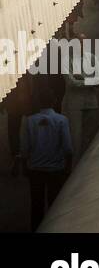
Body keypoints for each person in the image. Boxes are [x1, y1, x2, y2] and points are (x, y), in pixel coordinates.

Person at [18, 86, 72, 231]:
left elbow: (24, 147)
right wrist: (68, 168)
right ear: (54, 101)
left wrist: (25, 166)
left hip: (35, 169)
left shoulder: (29, 121)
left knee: (36, 205)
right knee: (55, 205)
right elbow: (67, 148)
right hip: (56, 169)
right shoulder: (62, 120)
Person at [61, 33, 99, 163]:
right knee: (75, 139)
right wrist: (92, 81)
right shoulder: (67, 61)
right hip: (75, 105)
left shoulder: (92, 58)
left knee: (89, 138)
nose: (82, 46)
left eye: (84, 43)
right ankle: (74, 168)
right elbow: (71, 82)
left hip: (90, 103)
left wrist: (83, 79)